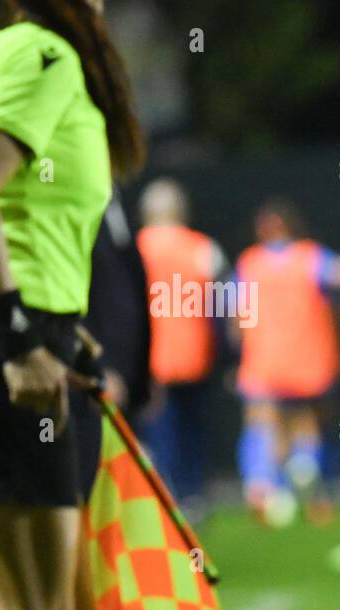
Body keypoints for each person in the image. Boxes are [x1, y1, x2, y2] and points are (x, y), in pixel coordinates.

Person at [0, 0, 144, 610]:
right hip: (22, 360)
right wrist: (20, 333)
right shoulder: (38, 49)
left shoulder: (47, 58)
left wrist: (65, 334)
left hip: (47, 347)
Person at [232, 199, 340, 525]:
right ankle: (308, 479)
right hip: (308, 359)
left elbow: (235, 314)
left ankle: (263, 488)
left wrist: (239, 349)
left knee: (262, 421)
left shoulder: (249, 263)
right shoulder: (310, 257)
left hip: (264, 360)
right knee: (308, 422)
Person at [136, 177, 227, 519]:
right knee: (193, 433)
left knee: (160, 434)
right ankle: (193, 498)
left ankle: (164, 499)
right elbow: (226, 304)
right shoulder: (203, 247)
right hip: (196, 356)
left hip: (150, 361)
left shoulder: (134, 249)